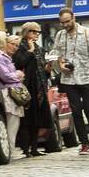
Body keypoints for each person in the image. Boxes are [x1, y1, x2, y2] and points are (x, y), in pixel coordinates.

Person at [49, 7, 89, 158]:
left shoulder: (88, 33)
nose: (65, 25)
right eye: (62, 23)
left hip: (87, 76)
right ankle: (84, 143)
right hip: (69, 79)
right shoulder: (60, 35)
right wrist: (60, 66)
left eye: (67, 21)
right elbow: (56, 55)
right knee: (76, 110)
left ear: (74, 18)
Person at [12, 21, 51, 157]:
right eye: (33, 31)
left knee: (37, 120)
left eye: (38, 32)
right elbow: (20, 62)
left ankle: (34, 148)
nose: (36, 35)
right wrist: (30, 51)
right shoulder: (20, 46)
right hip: (26, 87)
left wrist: (48, 70)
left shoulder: (39, 48)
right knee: (26, 120)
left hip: (39, 86)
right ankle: (26, 149)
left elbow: (42, 67)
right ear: (26, 32)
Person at [0, 30, 25, 161]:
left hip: (10, 90)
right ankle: (11, 149)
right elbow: (5, 75)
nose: (7, 41)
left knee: (13, 122)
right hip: (8, 91)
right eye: (5, 39)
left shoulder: (0, 55)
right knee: (11, 122)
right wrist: (18, 75)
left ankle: (11, 148)